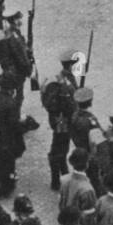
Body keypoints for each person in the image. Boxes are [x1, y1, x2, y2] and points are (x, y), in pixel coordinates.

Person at [41, 51, 79, 190]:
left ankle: (62, 175)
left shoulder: (58, 77)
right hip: (63, 120)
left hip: (58, 118)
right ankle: (57, 180)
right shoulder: (66, 82)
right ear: (70, 65)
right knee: (59, 148)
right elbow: (70, 103)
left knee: (60, 147)